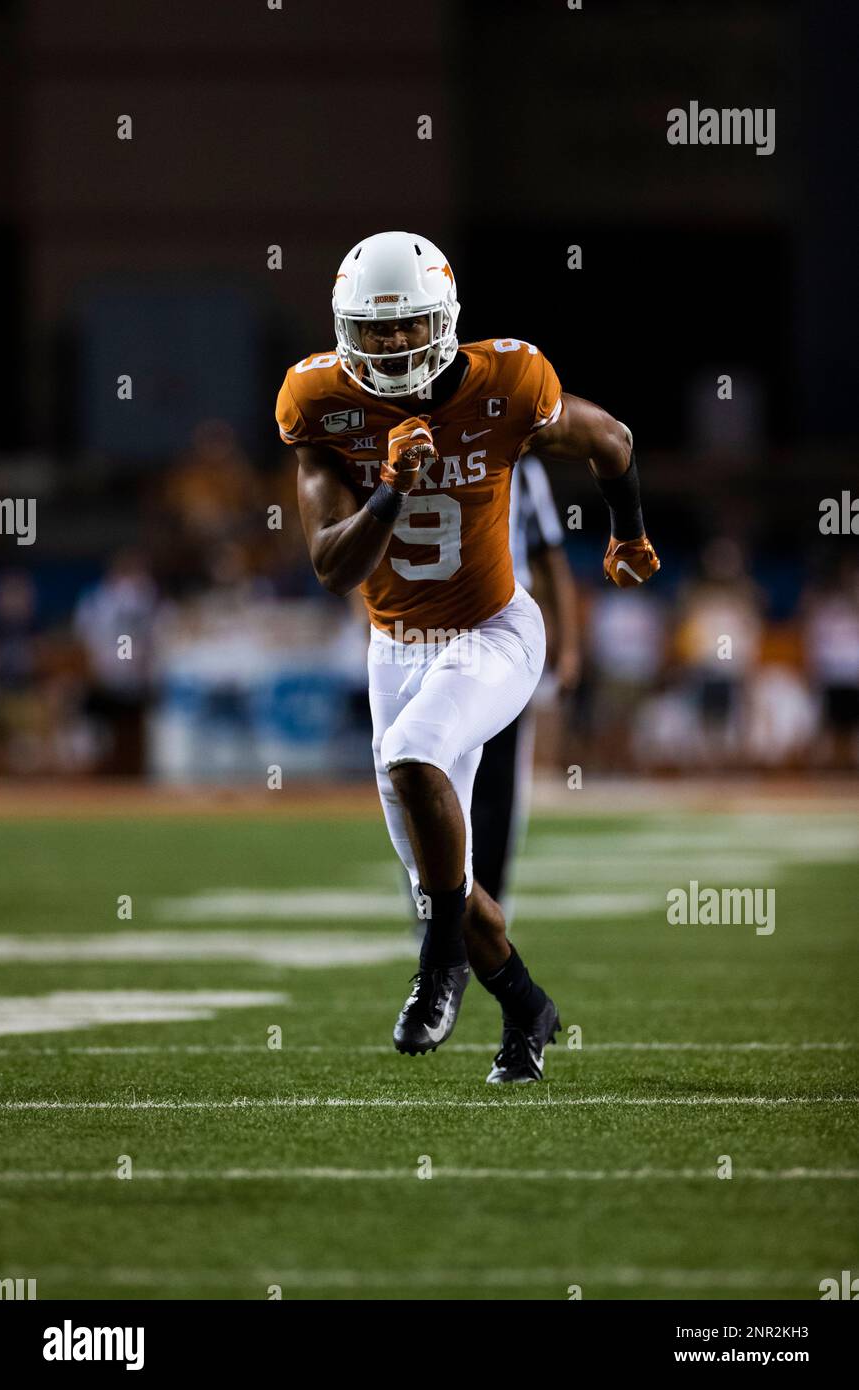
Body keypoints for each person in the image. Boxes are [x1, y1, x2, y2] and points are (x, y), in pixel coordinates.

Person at [275, 231, 660, 1083]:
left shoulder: (509, 382)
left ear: (443, 321)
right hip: (394, 648)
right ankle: (527, 1008)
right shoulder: (318, 400)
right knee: (444, 878)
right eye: (371, 332)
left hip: (495, 631)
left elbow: (615, 439)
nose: (387, 347)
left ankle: (436, 970)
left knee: (414, 761)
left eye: (404, 327)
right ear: (344, 332)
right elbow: (334, 566)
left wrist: (627, 530)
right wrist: (390, 488)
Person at [470, 451, 579, 908]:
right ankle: (435, 900)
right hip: (431, 627)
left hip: (503, 630)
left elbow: (552, 561)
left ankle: (489, 905)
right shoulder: (418, 450)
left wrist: (569, 645)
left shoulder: (525, 471)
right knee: (425, 769)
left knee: (499, 777)